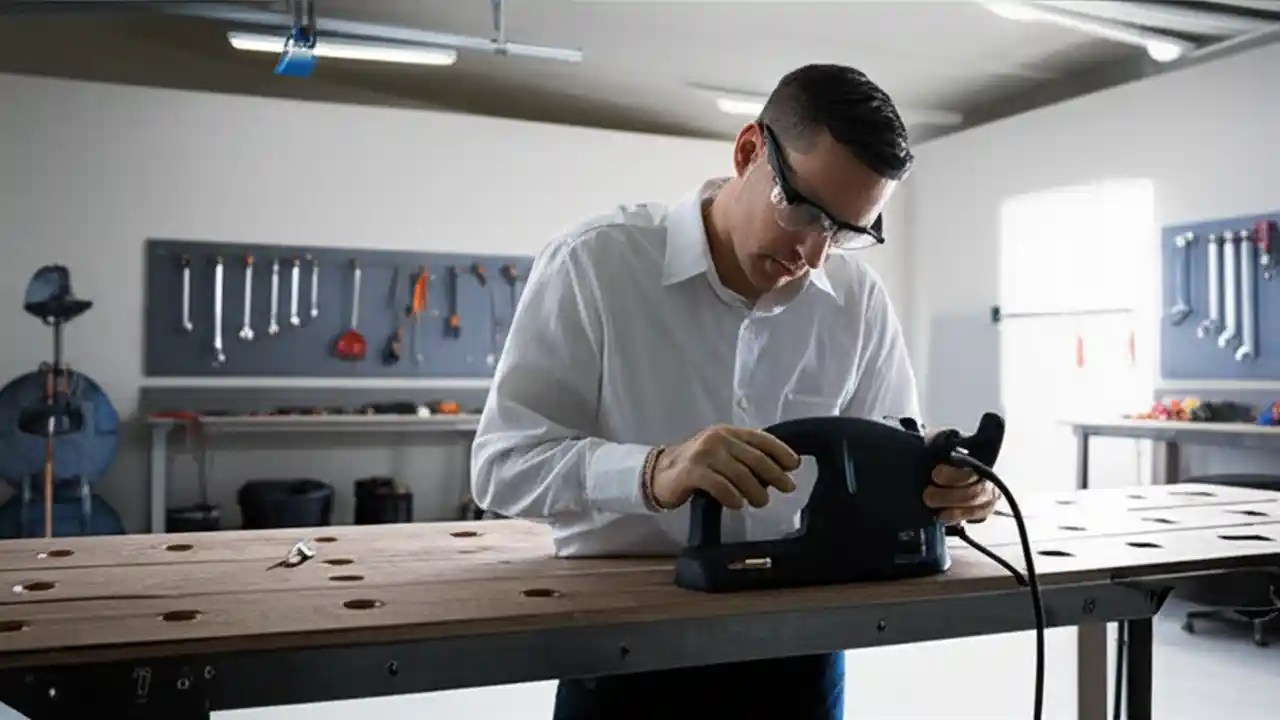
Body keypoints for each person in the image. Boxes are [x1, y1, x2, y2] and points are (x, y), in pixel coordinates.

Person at [470, 63, 1001, 720]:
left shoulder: (857, 302)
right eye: (802, 210)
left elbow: (892, 460)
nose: (811, 253)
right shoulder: (595, 264)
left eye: (843, 231)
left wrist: (945, 490)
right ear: (749, 151)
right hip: (624, 646)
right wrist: (652, 472)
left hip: (802, 646)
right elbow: (501, 468)